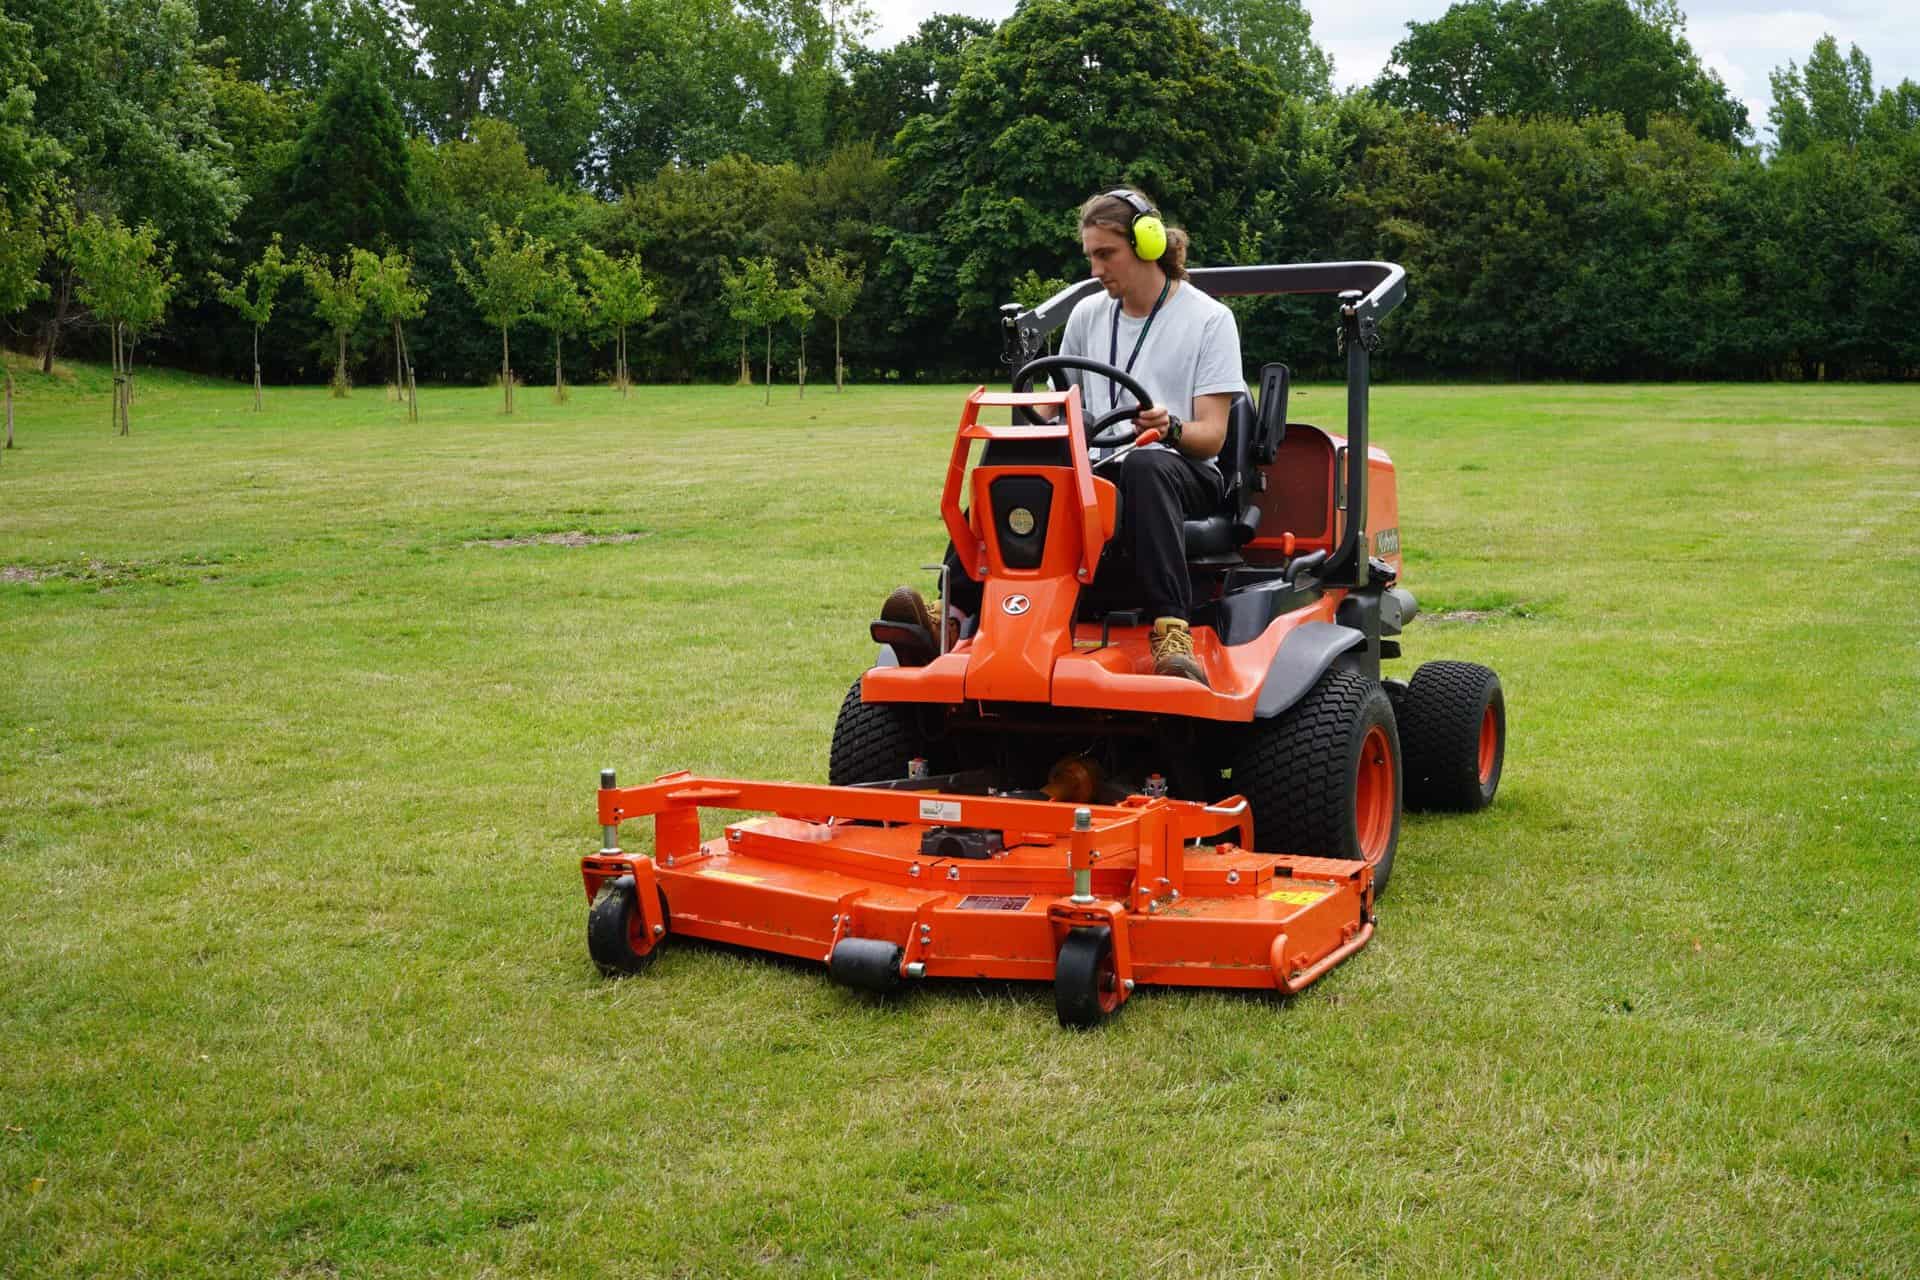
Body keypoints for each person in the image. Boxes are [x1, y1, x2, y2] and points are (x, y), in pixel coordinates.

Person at [883, 188, 1246, 685]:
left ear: (1147, 244)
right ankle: (951, 612)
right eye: (1091, 256)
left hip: (1178, 468)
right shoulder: (1088, 315)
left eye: (1105, 254)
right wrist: (1040, 411)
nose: (1096, 270)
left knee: (1145, 464)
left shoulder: (1209, 320)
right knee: (1010, 451)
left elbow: (1212, 437)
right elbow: (1068, 403)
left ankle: (1172, 629)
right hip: (1096, 465)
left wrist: (1170, 427)